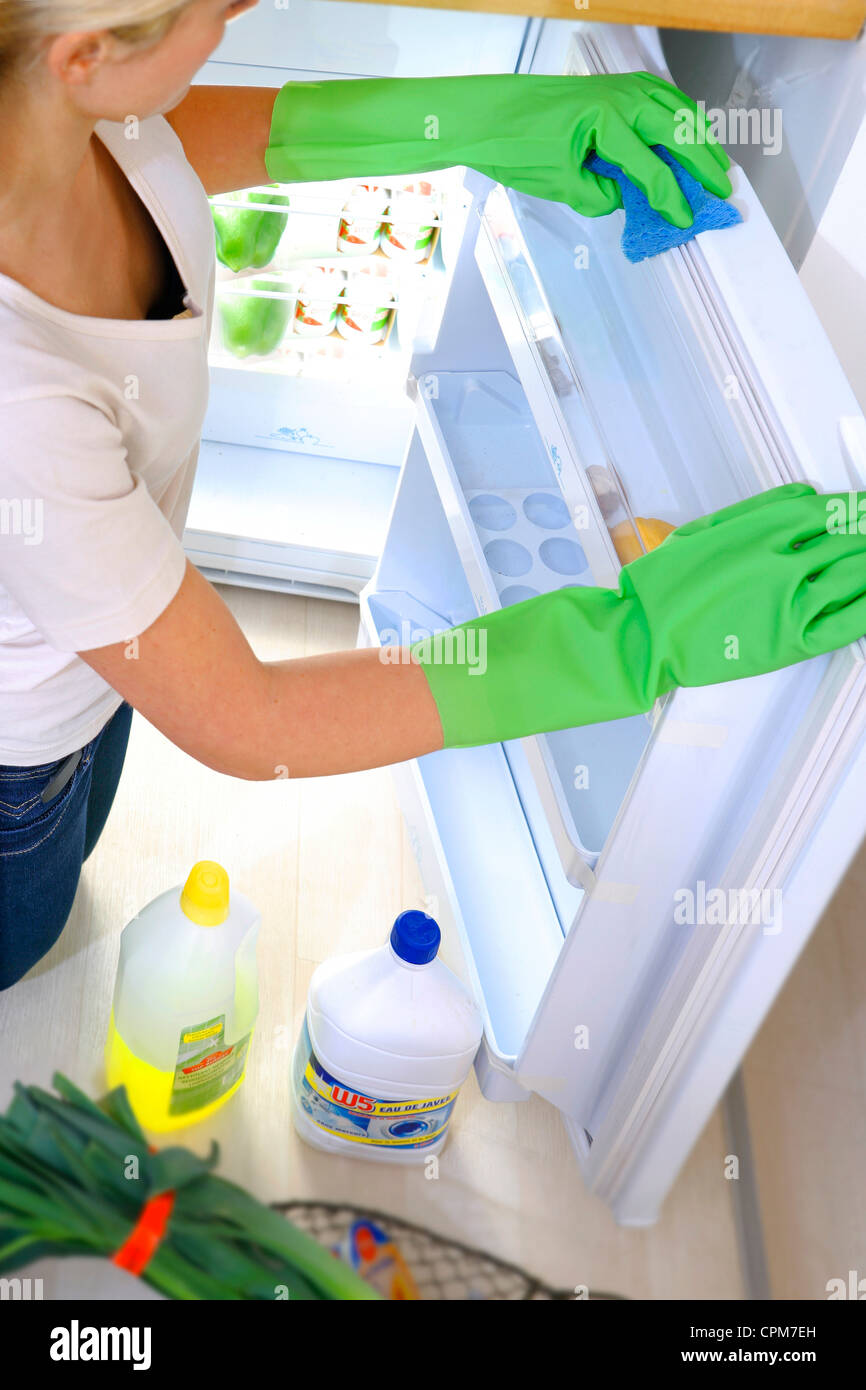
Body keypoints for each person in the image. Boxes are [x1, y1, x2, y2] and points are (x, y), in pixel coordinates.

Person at [2, 0, 865, 990]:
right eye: (210, 1)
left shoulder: (57, 122)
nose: (245, 7)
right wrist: (634, 639)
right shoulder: (20, 404)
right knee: (27, 953)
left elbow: (162, 149)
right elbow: (250, 717)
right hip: (16, 758)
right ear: (85, 56)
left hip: (88, 677)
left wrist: (475, 121)